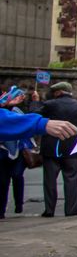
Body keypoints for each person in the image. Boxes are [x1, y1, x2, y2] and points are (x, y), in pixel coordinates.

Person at [31, 82, 77, 217]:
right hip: (72, 149)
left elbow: (33, 117)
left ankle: (49, 210)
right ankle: (71, 210)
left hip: (51, 149)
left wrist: (35, 102)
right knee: (71, 179)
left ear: (58, 92)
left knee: (50, 181)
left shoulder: (49, 105)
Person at [1, 88, 31, 218]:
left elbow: (26, 124)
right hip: (2, 152)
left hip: (18, 151)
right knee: (3, 181)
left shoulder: (18, 111)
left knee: (17, 176)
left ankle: (19, 204)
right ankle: (1, 210)